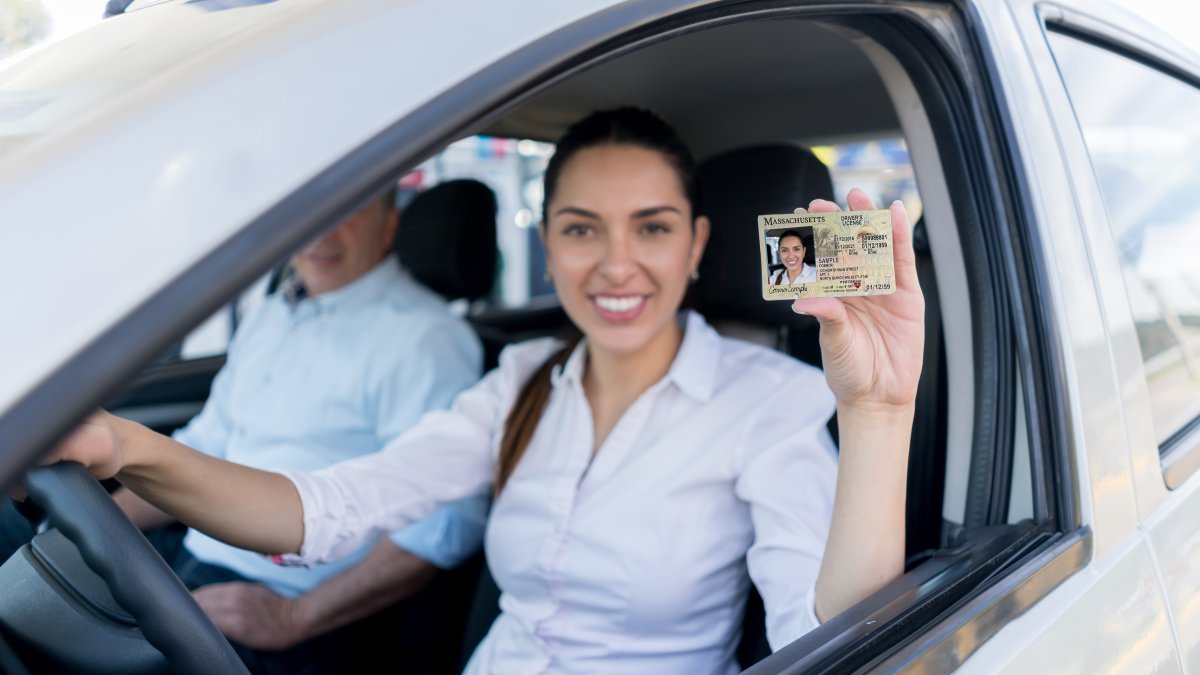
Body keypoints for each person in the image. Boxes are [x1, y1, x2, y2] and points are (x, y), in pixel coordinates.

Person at [47, 107, 924, 674]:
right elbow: (325, 508)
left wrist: (879, 413)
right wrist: (128, 447)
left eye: (651, 229)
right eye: (583, 229)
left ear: (696, 246)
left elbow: (826, 638)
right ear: (549, 245)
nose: (616, 264)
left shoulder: (767, 399)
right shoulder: (521, 380)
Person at [18, 192, 491, 674]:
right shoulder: (275, 313)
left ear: (389, 224)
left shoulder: (425, 339)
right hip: (189, 558)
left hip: (288, 604)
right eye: (312, 208)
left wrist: (295, 616)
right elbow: (207, 444)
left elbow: (444, 524)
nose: (323, 231)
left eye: (348, 211)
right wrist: (89, 524)